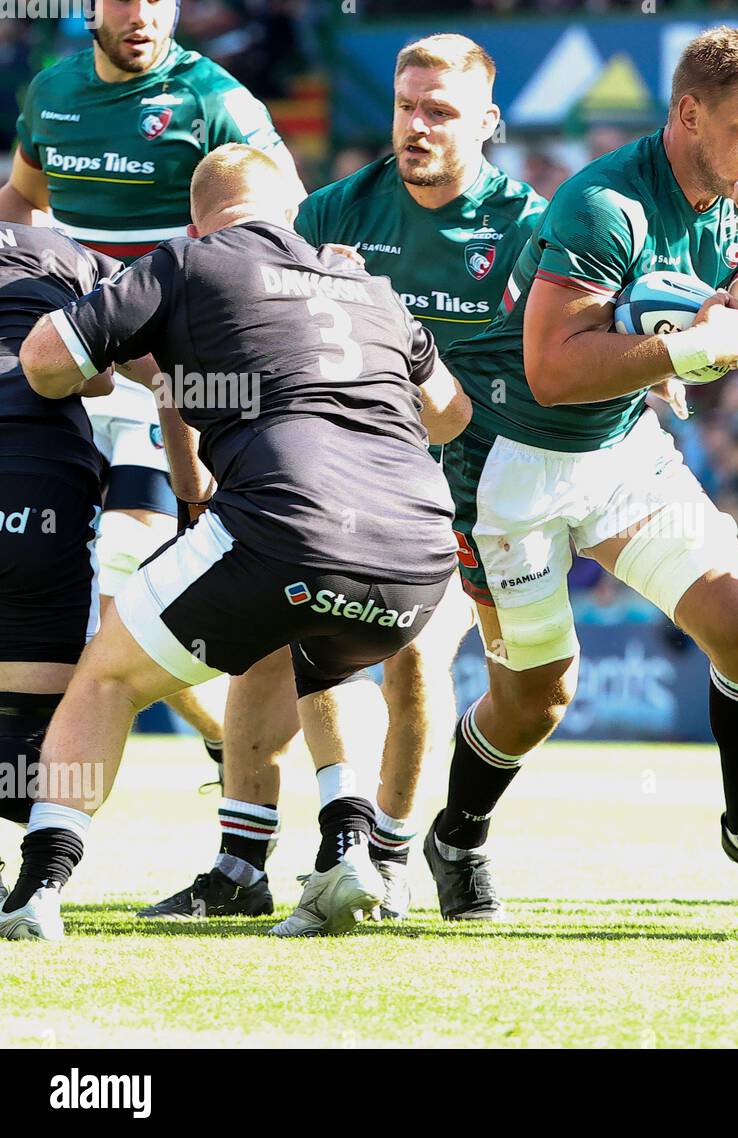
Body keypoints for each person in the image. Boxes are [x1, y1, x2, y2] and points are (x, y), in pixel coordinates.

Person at [425, 25, 738, 924]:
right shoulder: (604, 203)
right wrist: (677, 350)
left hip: (621, 453)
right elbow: (552, 369)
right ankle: (457, 836)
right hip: (510, 463)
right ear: (690, 115)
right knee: (537, 697)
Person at [0, 144, 468, 941]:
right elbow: (451, 415)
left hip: (286, 520)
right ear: (293, 211)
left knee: (108, 673)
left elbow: (46, 363)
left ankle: (38, 887)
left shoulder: (185, 261)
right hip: (419, 546)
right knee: (330, 664)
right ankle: (347, 846)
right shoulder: (368, 284)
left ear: (197, 219)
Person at [137, 33, 548, 924]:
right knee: (265, 633)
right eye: (406, 107)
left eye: (440, 112)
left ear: (488, 121)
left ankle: (389, 856)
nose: (417, 126)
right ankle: (240, 862)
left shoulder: (529, 227)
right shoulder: (332, 211)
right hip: (336, 475)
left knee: (413, 661)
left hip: (469, 483)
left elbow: (570, 333)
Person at [0, 0, 306, 774]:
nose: (141, 14)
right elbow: (21, 199)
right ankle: (204, 740)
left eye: (159, 0)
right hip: (63, 360)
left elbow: (286, 212)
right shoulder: (52, 91)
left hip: (162, 369)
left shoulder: (216, 99)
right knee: (62, 575)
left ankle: (203, 742)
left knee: (124, 573)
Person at [0, 224, 137, 903]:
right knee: (31, 739)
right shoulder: (69, 254)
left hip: (39, 472)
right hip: (40, 477)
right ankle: (40, 882)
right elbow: (104, 371)